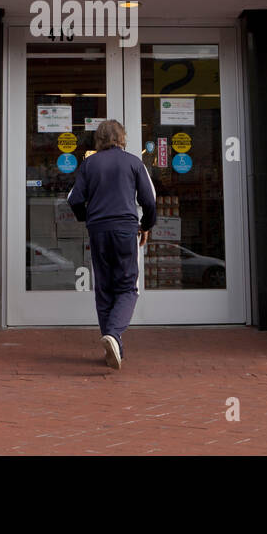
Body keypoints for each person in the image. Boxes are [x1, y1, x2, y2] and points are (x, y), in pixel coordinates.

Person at [66, 119, 157, 370]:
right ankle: (114, 335)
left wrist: (88, 218)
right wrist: (146, 225)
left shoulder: (89, 164)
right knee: (128, 288)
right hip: (125, 229)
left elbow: (73, 199)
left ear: (99, 139)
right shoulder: (134, 163)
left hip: (98, 230)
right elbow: (149, 200)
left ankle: (112, 345)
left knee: (104, 287)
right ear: (123, 137)